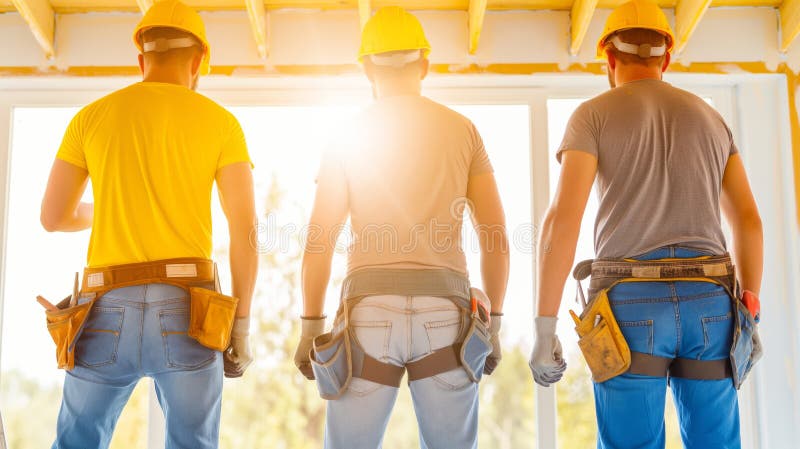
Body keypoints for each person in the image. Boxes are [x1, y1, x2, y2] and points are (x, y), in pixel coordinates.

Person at [527, 0, 763, 448]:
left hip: (629, 306)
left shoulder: (592, 115)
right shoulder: (712, 119)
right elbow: (749, 221)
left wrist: (544, 326)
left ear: (609, 59)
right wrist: (749, 310)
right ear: (666, 58)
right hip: (710, 304)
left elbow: (563, 219)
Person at [40, 1, 258, 447]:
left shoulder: (91, 117)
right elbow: (245, 232)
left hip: (102, 309)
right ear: (198, 62)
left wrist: (114, 207)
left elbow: (53, 217)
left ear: (141, 59)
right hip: (188, 311)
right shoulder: (221, 123)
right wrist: (242, 325)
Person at [292, 6, 509, 449]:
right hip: (446, 314)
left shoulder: (346, 133)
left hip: (369, 311)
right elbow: (496, 237)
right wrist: (497, 323)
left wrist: (310, 326)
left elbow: (320, 239)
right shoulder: (463, 130)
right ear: (424, 65)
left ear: (366, 69)